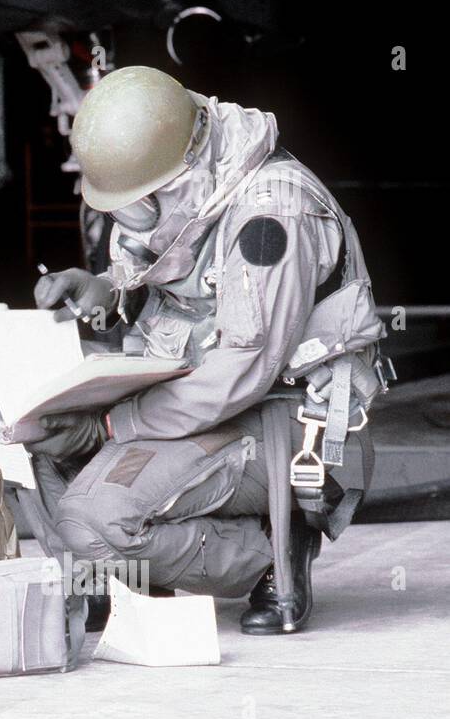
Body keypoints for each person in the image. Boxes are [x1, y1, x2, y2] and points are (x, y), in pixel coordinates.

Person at [19, 65, 386, 635]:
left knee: (96, 518)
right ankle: (108, 578)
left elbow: (244, 371)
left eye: (138, 207)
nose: (130, 223)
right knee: (40, 439)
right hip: (205, 408)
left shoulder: (271, 218)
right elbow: (185, 300)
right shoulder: (189, 191)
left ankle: (274, 550)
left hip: (288, 424)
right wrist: (107, 292)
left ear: (181, 175)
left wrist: (114, 427)